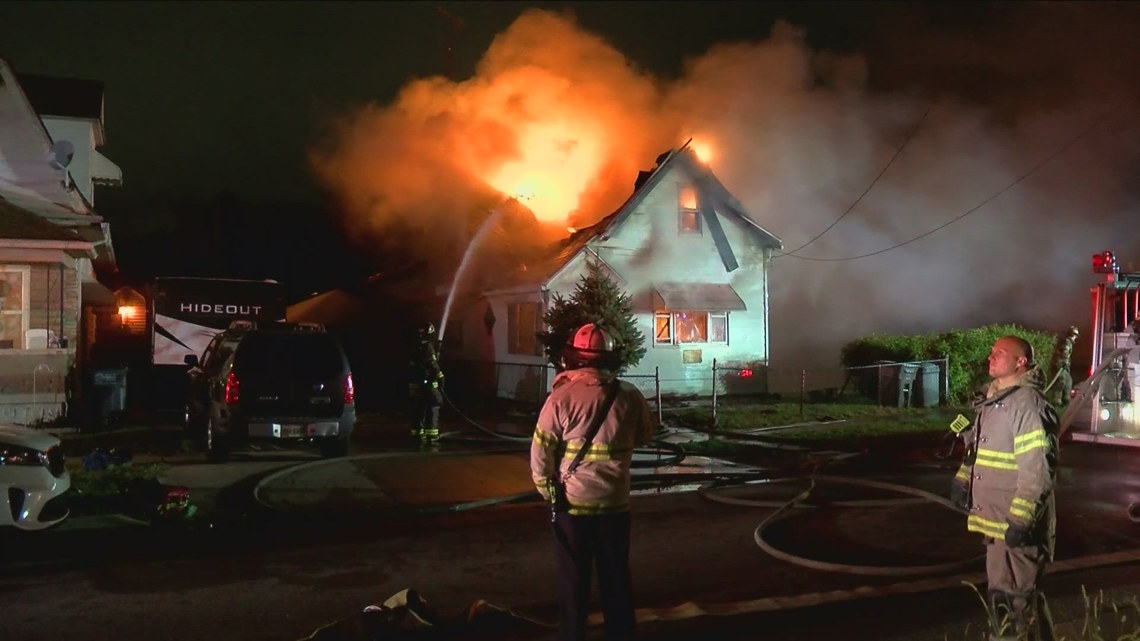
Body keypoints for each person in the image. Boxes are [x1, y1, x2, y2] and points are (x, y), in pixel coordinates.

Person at [530, 323, 657, 641]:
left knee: (574, 583)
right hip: (615, 505)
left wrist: (552, 498)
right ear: (611, 358)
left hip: (573, 510)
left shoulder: (560, 399)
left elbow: (540, 457)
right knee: (616, 580)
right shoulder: (629, 395)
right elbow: (644, 435)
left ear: (573, 357)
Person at [951, 335, 1060, 640]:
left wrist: (1021, 521)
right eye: (991, 352)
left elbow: (1037, 470)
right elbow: (978, 452)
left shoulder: (1027, 405)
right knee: (1002, 597)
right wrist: (962, 481)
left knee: (1021, 602)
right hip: (997, 523)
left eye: (1000, 353)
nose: (991, 356)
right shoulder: (994, 400)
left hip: (1016, 528)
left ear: (1020, 361)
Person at [409, 321, 444, 446]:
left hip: (414, 384)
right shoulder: (428, 346)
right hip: (427, 383)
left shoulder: (414, 345)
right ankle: (432, 435)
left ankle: (418, 434)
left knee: (418, 408)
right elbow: (432, 364)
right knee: (434, 404)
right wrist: (440, 376)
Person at [1047, 326, 1079, 406]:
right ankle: (1056, 401)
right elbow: (1064, 352)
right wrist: (1064, 362)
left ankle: (1066, 399)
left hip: (1061, 365)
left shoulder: (1066, 342)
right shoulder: (1067, 342)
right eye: (1075, 336)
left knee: (1068, 381)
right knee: (1060, 382)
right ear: (1073, 335)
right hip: (1059, 365)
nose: (1075, 338)